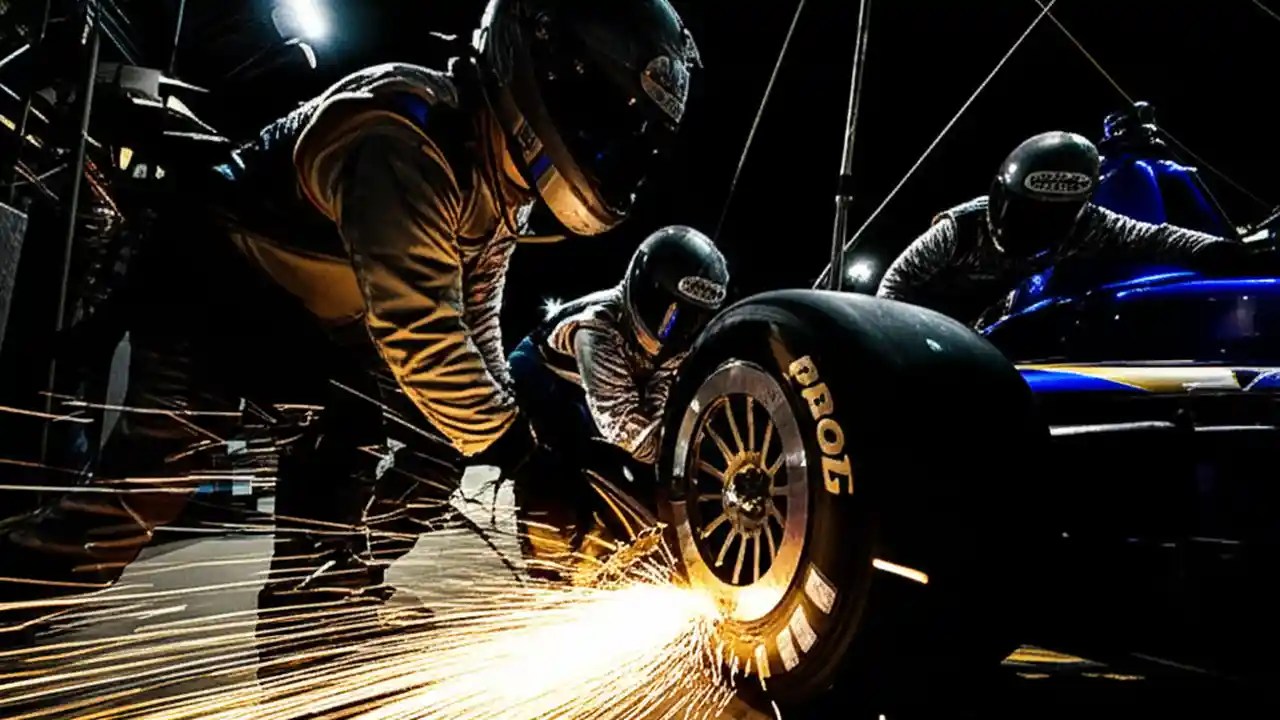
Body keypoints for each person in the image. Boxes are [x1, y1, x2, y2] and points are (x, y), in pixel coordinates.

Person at [0, 0, 701, 610]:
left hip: (309, 327)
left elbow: (476, 327)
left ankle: (320, 606)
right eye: (604, 125)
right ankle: (19, 585)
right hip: (211, 293)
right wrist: (523, 458)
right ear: (546, 63)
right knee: (139, 501)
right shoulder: (409, 132)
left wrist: (532, 454)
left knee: (391, 450)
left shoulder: (499, 186)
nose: (604, 151)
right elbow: (419, 330)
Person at [507, 225, 728, 576]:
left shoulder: (677, 344)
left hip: (593, 391)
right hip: (542, 376)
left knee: (620, 468)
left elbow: (657, 414)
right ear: (647, 293)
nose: (681, 330)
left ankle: (595, 546)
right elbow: (622, 425)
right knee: (555, 457)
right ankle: (546, 563)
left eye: (693, 319)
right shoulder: (598, 327)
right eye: (673, 318)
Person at [876, 131, 1245, 327]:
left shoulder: (1087, 224)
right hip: (923, 322)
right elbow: (894, 287)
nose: (1036, 226)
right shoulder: (958, 229)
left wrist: (1231, 252)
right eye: (1027, 214)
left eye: (1049, 217)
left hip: (990, 328)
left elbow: (1159, 239)